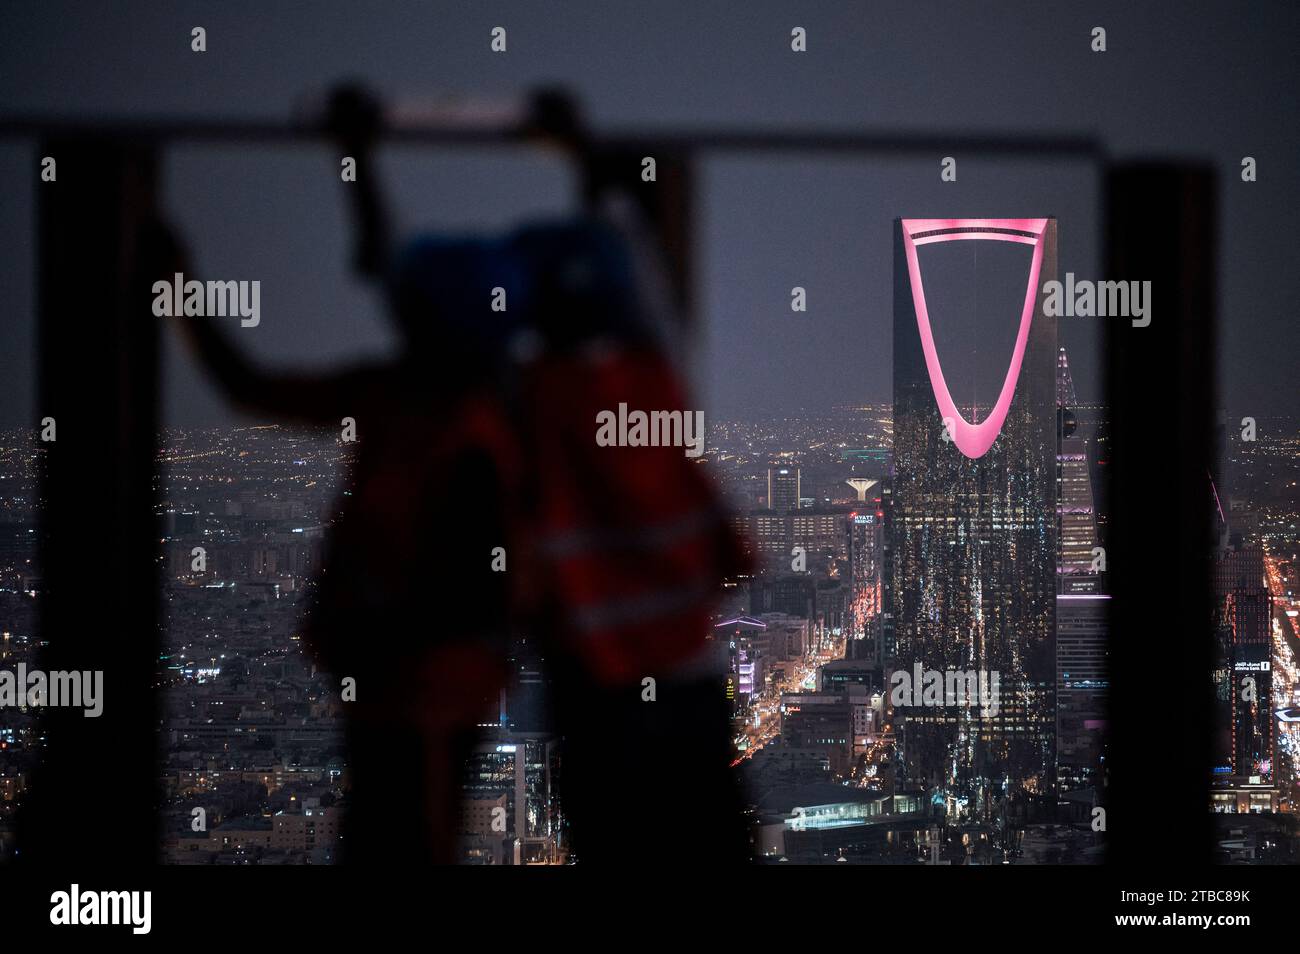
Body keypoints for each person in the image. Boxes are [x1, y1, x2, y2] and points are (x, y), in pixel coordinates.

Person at [167, 83, 750, 864]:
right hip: (674, 677)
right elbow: (632, 255)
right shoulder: (644, 377)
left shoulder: (509, 402)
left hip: (560, 685)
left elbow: (385, 287)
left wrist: (353, 161)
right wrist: (581, 153)